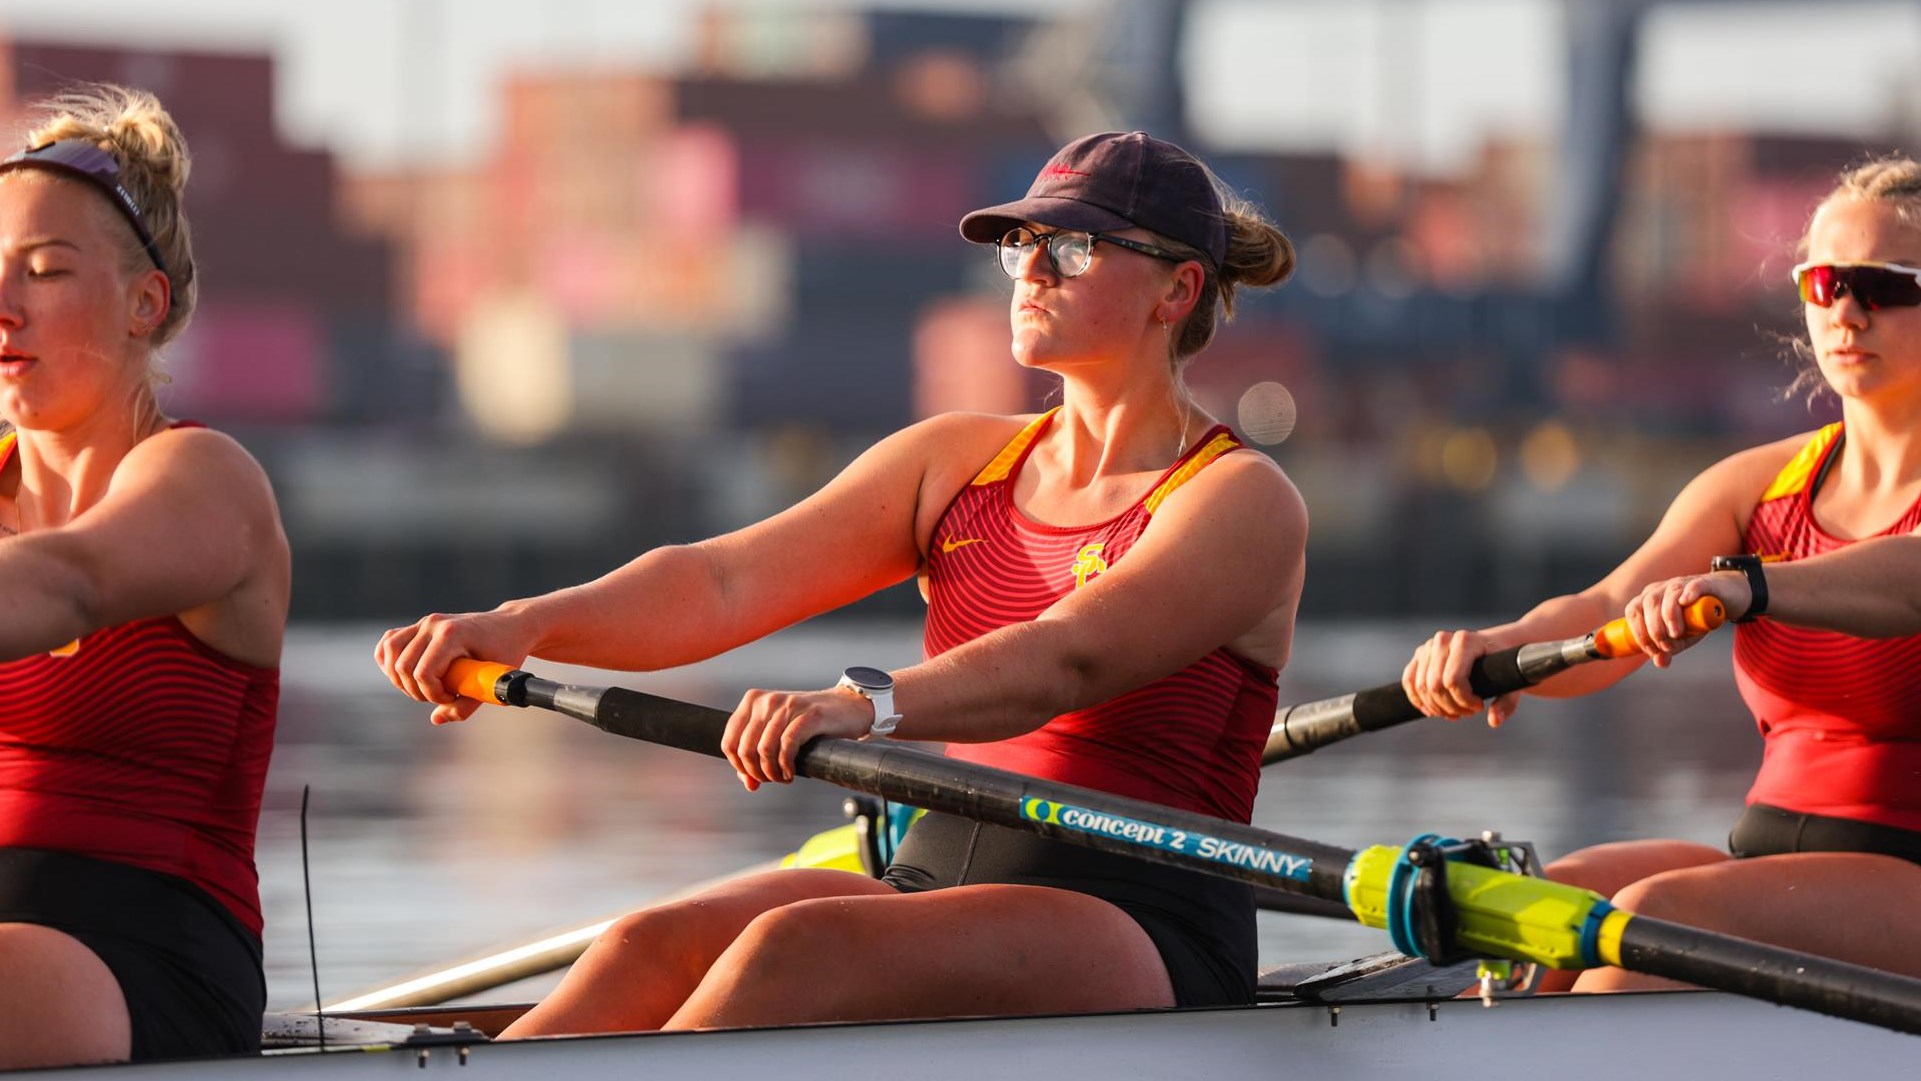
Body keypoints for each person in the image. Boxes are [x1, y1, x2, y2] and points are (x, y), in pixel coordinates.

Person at [379, 130, 1303, 1033]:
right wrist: (521, 624)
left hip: (1138, 913)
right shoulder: (953, 460)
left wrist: (863, 704)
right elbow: (724, 581)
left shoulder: (1239, 499)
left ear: (1177, 289)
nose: (1032, 269)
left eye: (1074, 245)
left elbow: (1069, 660)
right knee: (644, 944)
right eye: (1021, 243)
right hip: (931, 876)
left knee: (792, 949)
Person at [1401, 155, 1921, 993]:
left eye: (1885, 286)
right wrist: (1496, 648)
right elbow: (1608, 608)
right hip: (1769, 861)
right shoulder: (1755, 485)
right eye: (1823, 283)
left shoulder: (1762, 555)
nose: (1846, 312)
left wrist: (1752, 585)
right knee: (1526, 911)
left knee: (1649, 924)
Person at [0, 85, 288, 1067]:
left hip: (149, 957)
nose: (3, 306)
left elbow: (69, 583)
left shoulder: (202, 478)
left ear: (143, 302)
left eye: (43, 271)